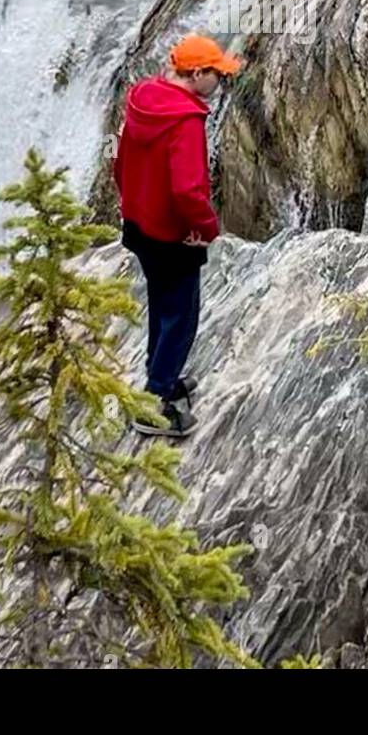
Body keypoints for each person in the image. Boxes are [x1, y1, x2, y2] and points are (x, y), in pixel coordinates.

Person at [113, 33, 242, 438]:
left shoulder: (143, 99)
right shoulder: (184, 121)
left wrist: (132, 205)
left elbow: (119, 163)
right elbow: (187, 190)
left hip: (140, 226)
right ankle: (154, 405)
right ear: (198, 73)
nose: (220, 82)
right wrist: (205, 229)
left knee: (161, 305)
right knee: (181, 317)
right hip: (173, 235)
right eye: (216, 75)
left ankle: (163, 377)